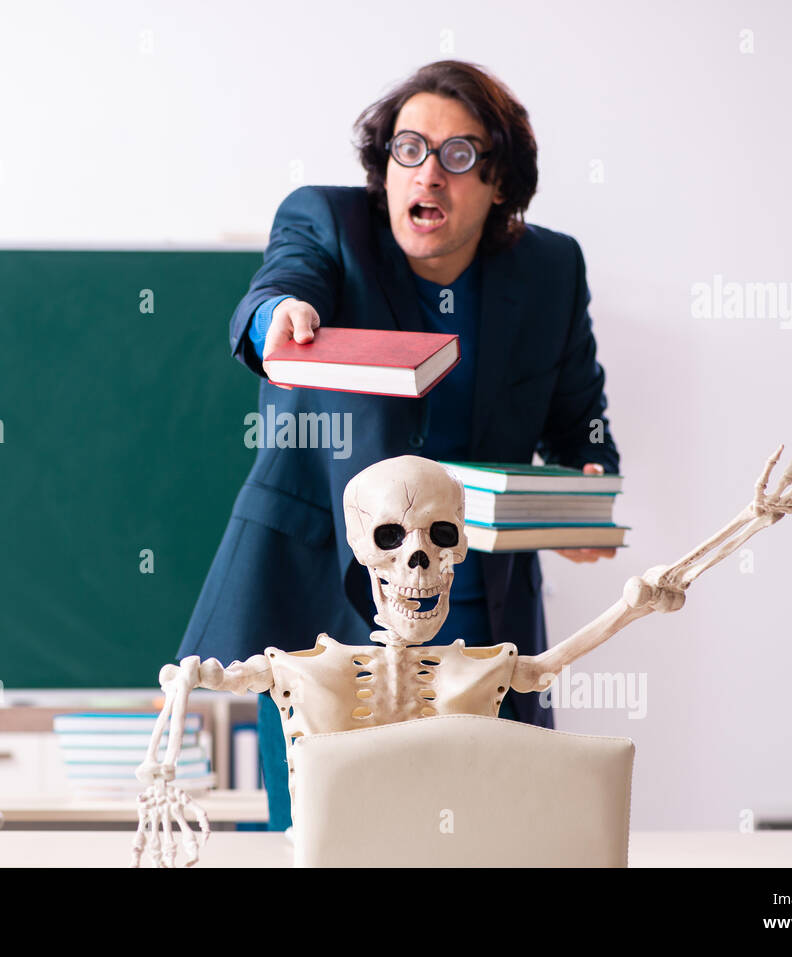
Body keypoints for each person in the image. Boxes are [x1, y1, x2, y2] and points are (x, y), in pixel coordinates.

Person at [177, 60, 621, 829]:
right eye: (408, 149)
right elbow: (277, 288)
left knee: (486, 834)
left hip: (481, 618)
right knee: (321, 836)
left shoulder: (550, 270)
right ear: (384, 168)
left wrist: (586, 490)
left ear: (500, 184)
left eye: (459, 156)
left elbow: (581, 423)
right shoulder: (327, 222)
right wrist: (278, 314)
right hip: (326, 609)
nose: (428, 173)